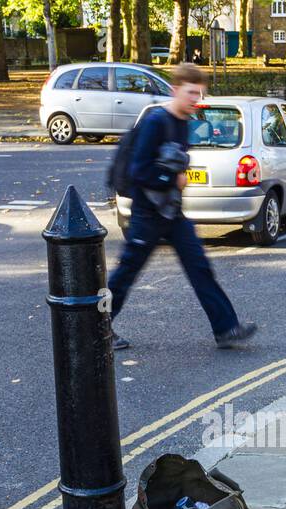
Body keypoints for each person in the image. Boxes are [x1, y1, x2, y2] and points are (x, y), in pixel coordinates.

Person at [107, 62, 257, 351]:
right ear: (176, 90)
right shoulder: (156, 122)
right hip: (147, 212)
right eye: (190, 93)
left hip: (172, 213)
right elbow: (139, 171)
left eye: (199, 93)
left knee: (199, 267)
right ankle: (96, 328)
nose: (195, 99)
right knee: (127, 271)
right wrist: (171, 178)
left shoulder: (183, 123)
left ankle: (226, 329)